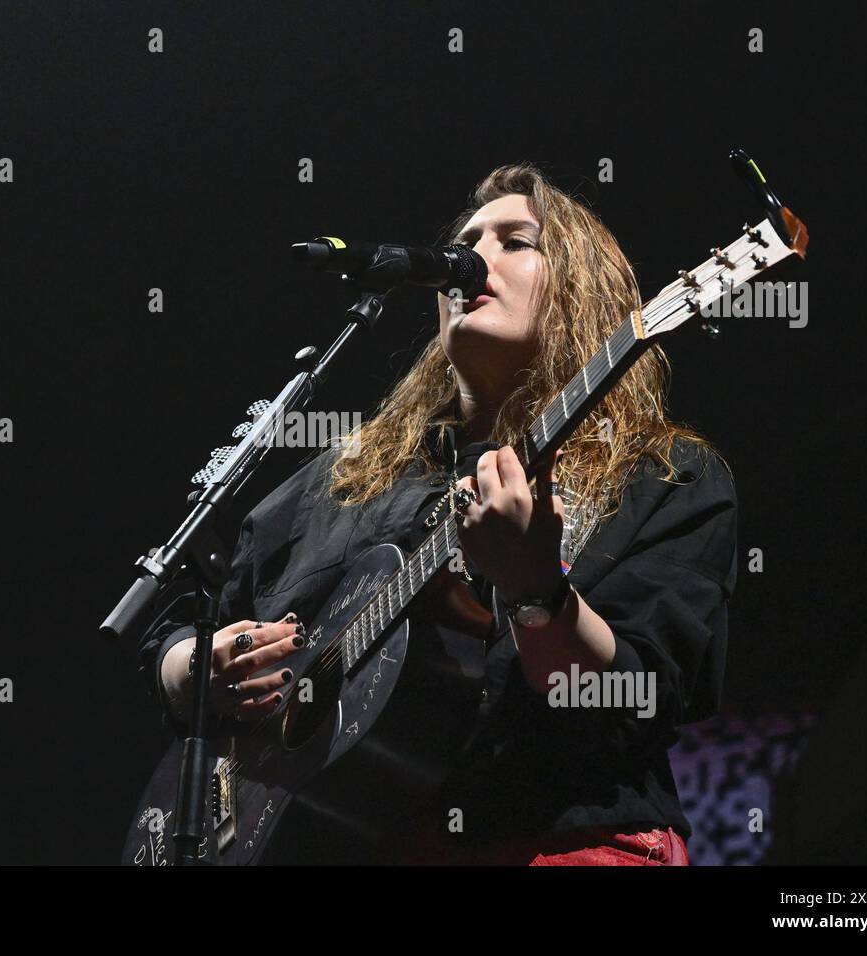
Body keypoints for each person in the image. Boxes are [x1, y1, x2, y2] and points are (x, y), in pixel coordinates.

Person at [137, 162, 738, 865]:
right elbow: (194, 620)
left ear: (583, 292)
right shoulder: (348, 477)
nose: (474, 259)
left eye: (516, 241)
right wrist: (190, 670)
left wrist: (535, 593)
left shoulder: (664, 474)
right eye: (468, 240)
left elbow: (634, 697)